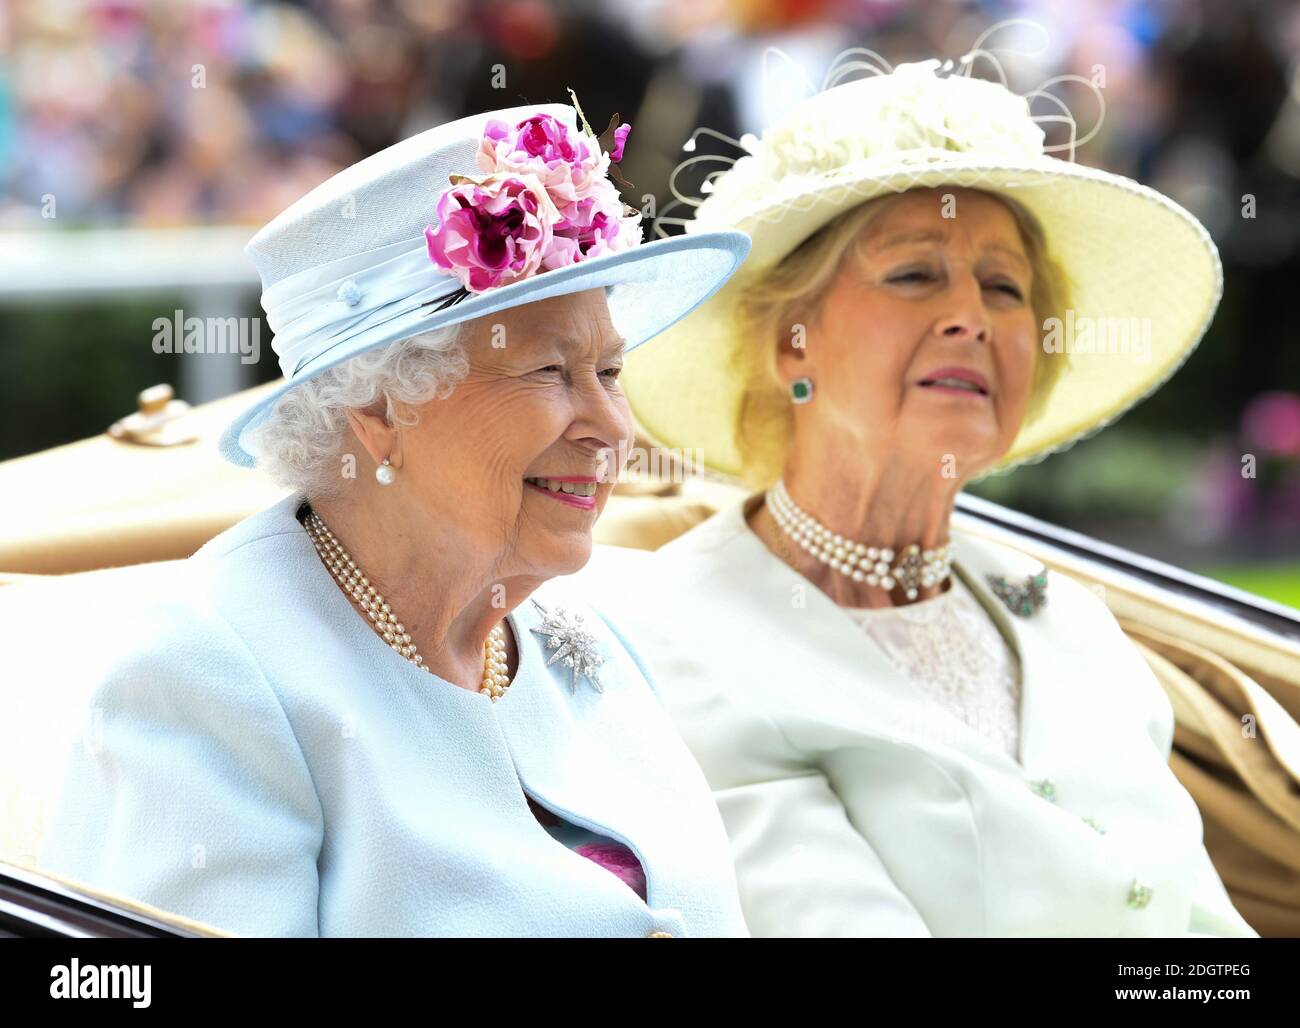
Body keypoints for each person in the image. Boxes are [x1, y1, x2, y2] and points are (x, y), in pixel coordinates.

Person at [569, 54, 1259, 937]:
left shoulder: (1073, 621)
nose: (972, 314)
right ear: (791, 345)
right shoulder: (674, 639)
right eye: (914, 274)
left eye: (1005, 288)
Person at [36, 100, 753, 937]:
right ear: (381, 408)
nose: (611, 426)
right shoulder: (207, 675)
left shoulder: (580, 633)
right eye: (552, 371)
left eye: (611, 369)